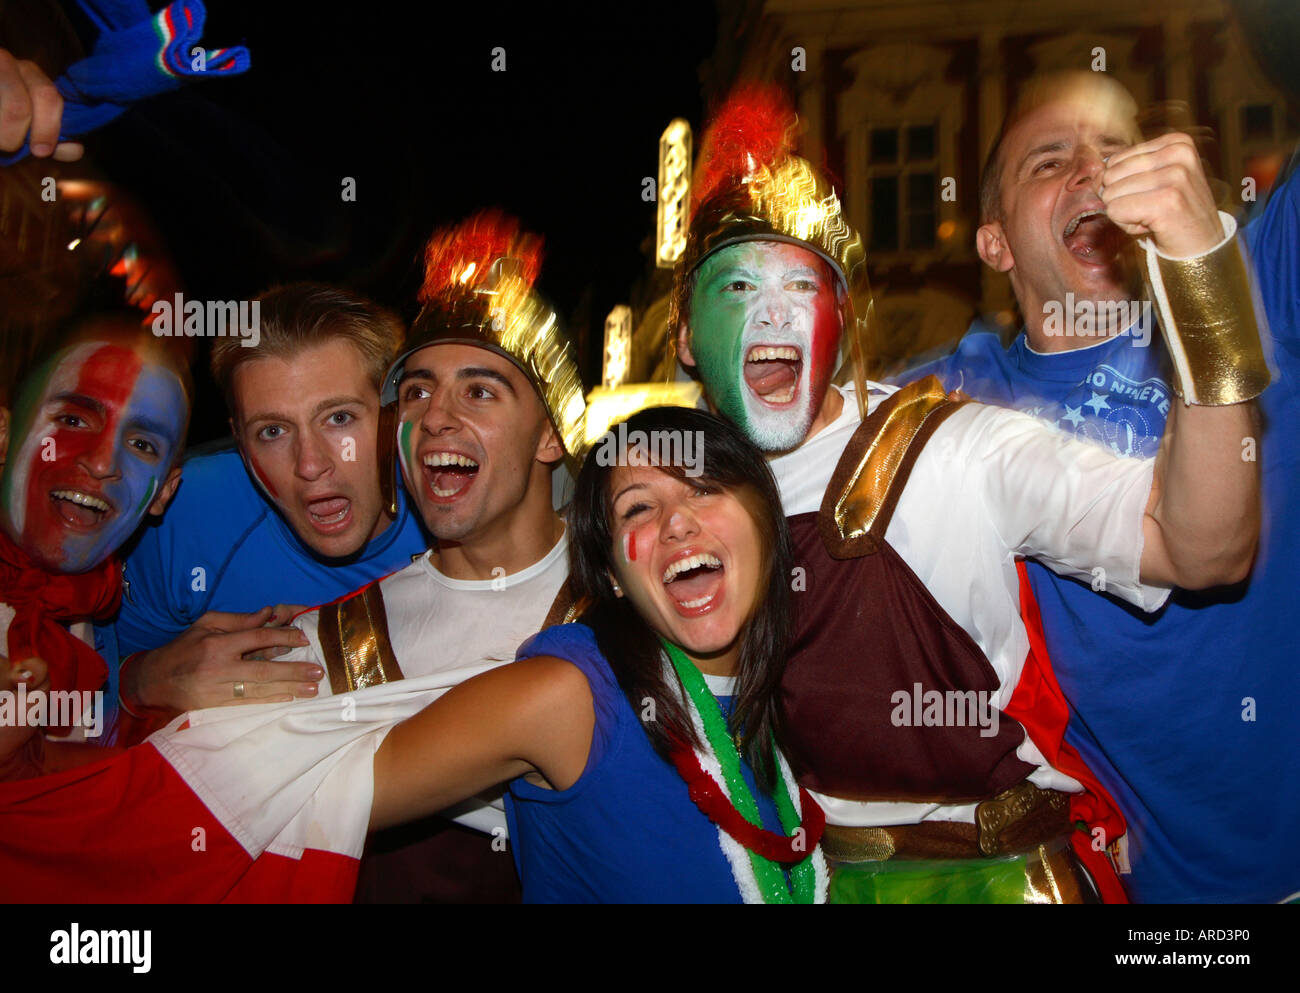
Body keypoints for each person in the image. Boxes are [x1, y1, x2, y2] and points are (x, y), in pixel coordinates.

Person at [669, 84, 1266, 903]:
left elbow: (1199, 546)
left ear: (845, 318)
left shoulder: (949, 443)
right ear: (682, 332)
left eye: (804, 287)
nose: (773, 311)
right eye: (738, 287)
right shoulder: (651, 510)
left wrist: (1202, 276)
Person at [0, 405, 827, 904]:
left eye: (705, 489)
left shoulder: (756, 712)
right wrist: (122, 703)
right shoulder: (569, 695)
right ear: (611, 571)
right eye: (641, 505)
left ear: (766, 517)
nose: (679, 522)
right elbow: (296, 785)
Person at [894, 70, 1300, 903]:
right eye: (1050, 162)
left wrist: (1202, 263)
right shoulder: (959, 395)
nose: (1092, 172)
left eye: (1117, 150)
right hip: (1143, 898)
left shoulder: (1255, 273)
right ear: (996, 242)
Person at [274, 211, 584, 901]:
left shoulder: (635, 613)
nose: (436, 416)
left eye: (479, 390)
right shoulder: (327, 646)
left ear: (550, 437)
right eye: (417, 391)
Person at [105, 283, 429, 734]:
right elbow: (72, 701)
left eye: (338, 418)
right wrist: (144, 682)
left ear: (395, 416)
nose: (311, 464)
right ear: (239, 440)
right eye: (273, 431)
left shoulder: (453, 512)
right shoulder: (188, 512)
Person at [1, 314, 190, 767]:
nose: (104, 461)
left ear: (163, 493)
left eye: (142, 444)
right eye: (73, 418)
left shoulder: (98, 618)